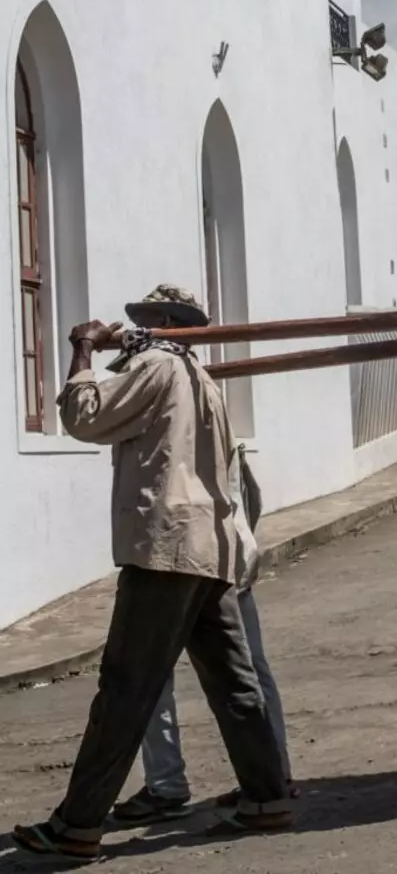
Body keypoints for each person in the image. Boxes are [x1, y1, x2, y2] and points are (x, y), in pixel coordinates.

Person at [12, 286, 291, 863]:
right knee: (233, 681)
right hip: (208, 547)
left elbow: (84, 417)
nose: (130, 328)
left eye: (142, 321)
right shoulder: (201, 379)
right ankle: (267, 797)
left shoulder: (158, 364)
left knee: (125, 687)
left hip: (165, 548)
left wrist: (84, 352)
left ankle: (78, 824)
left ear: (163, 323)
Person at [112, 447, 295, 824]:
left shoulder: (160, 418)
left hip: (177, 564)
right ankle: (272, 774)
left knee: (152, 675)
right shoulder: (214, 415)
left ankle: (166, 784)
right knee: (249, 670)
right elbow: (248, 497)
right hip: (227, 558)